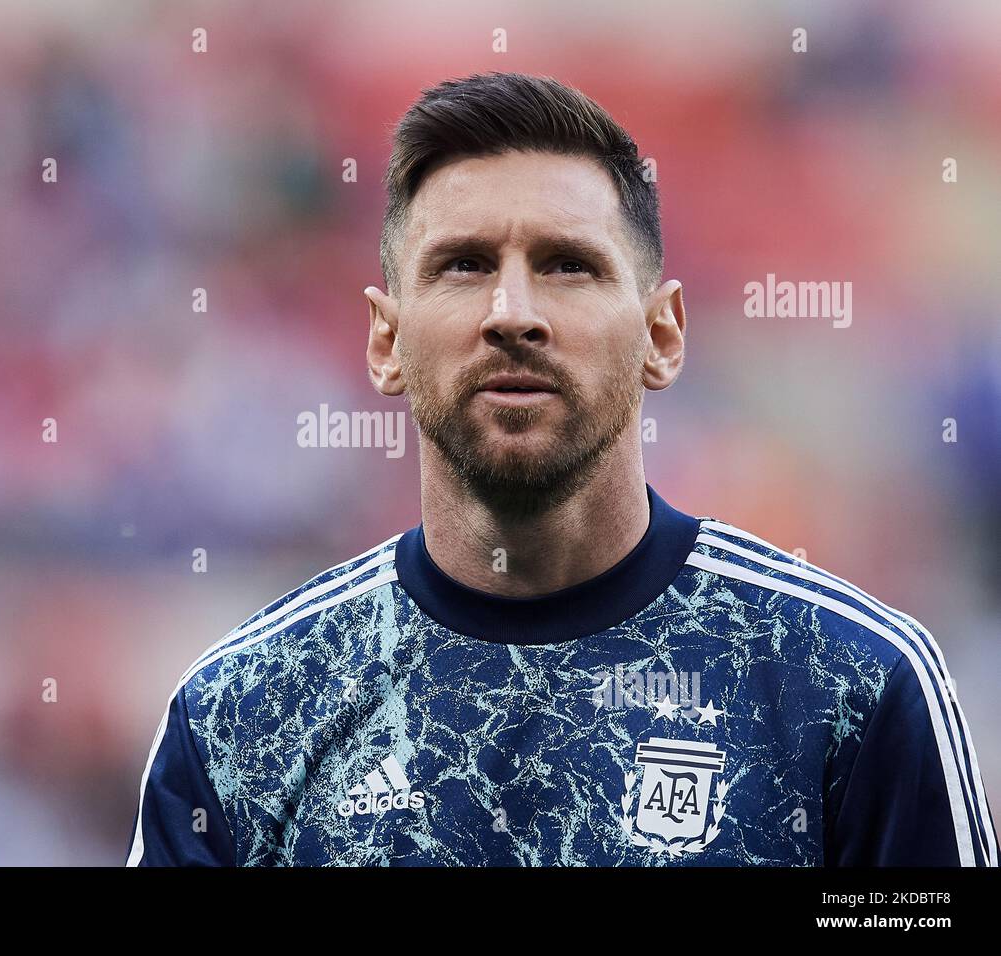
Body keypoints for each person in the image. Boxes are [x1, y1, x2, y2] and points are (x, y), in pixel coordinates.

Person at [126, 72, 995, 866]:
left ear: (662, 336)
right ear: (385, 342)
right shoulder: (244, 715)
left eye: (567, 266)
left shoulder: (852, 685)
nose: (513, 314)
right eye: (464, 265)